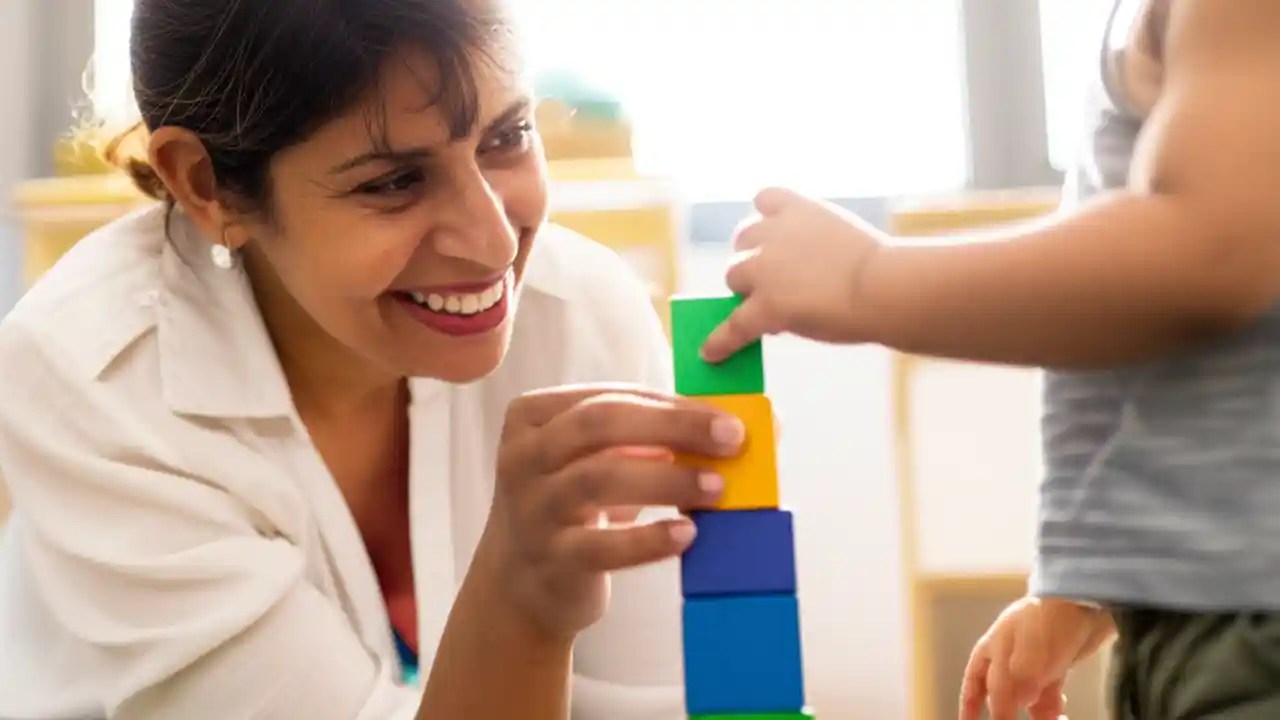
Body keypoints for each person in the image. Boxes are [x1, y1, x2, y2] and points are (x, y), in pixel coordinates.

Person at [0, 1, 746, 718]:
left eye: (506, 135)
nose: (494, 244)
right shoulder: (89, 378)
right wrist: (522, 601)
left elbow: (664, 707)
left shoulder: (580, 316)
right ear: (204, 184)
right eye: (393, 182)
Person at [700, 1, 1280, 718]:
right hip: (1204, 607)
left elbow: (1211, 251)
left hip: (1248, 622)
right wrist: (1095, 578)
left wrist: (868, 279)